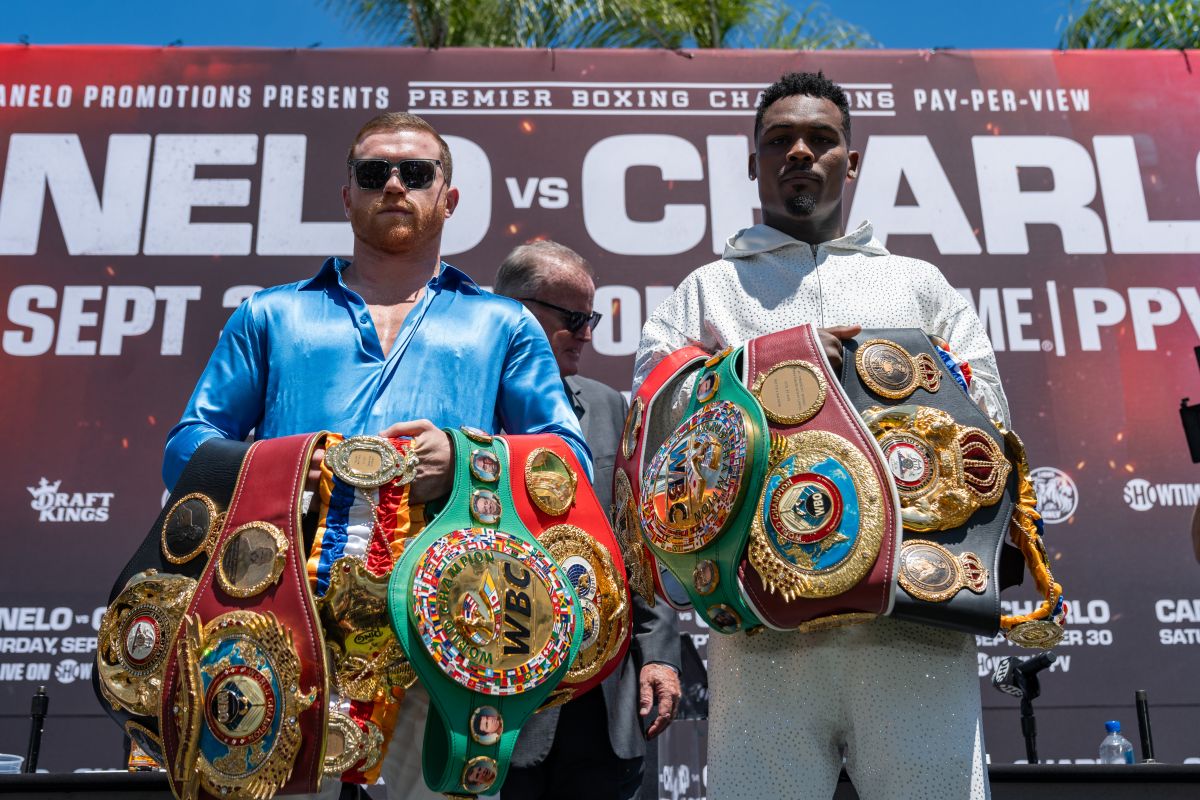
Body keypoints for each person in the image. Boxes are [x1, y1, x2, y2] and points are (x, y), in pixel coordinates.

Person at [163, 112, 591, 800]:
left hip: (453, 621)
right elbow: (187, 448)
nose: (394, 184)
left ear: (448, 198)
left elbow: (567, 461)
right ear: (347, 196)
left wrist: (464, 458)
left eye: (415, 173)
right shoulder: (270, 315)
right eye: (374, 173)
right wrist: (299, 468)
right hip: (282, 613)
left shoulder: (502, 323)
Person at [634, 72, 1007, 800]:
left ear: (853, 161)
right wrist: (776, 363)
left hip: (913, 627)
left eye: (820, 140)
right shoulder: (709, 290)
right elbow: (657, 420)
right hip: (764, 632)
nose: (799, 152)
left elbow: (988, 419)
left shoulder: (918, 282)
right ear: (753, 162)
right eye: (779, 141)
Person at [495, 240, 682, 800]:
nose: (586, 332)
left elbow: (643, 543)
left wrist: (660, 658)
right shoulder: (461, 406)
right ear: (513, 312)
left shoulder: (609, 407)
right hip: (496, 702)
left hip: (603, 709)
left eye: (592, 317)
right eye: (572, 318)